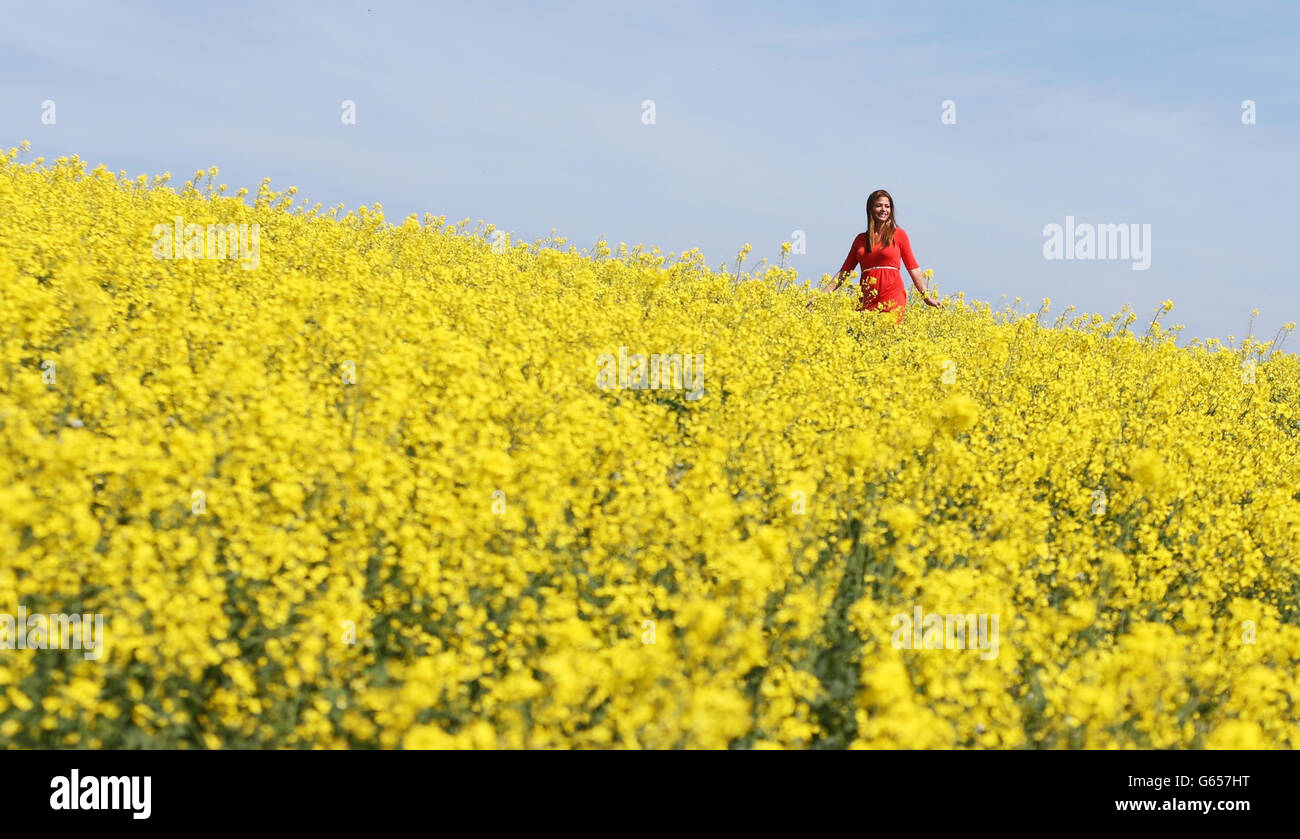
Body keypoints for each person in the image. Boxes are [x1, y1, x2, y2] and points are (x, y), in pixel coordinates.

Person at [823, 189, 942, 323]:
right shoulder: (860, 240)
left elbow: (913, 268)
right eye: (879, 205)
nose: (883, 209)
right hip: (867, 298)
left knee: (885, 336)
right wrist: (821, 296)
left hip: (892, 297)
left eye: (887, 206)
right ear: (871, 209)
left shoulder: (899, 235)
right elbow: (844, 272)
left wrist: (926, 297)